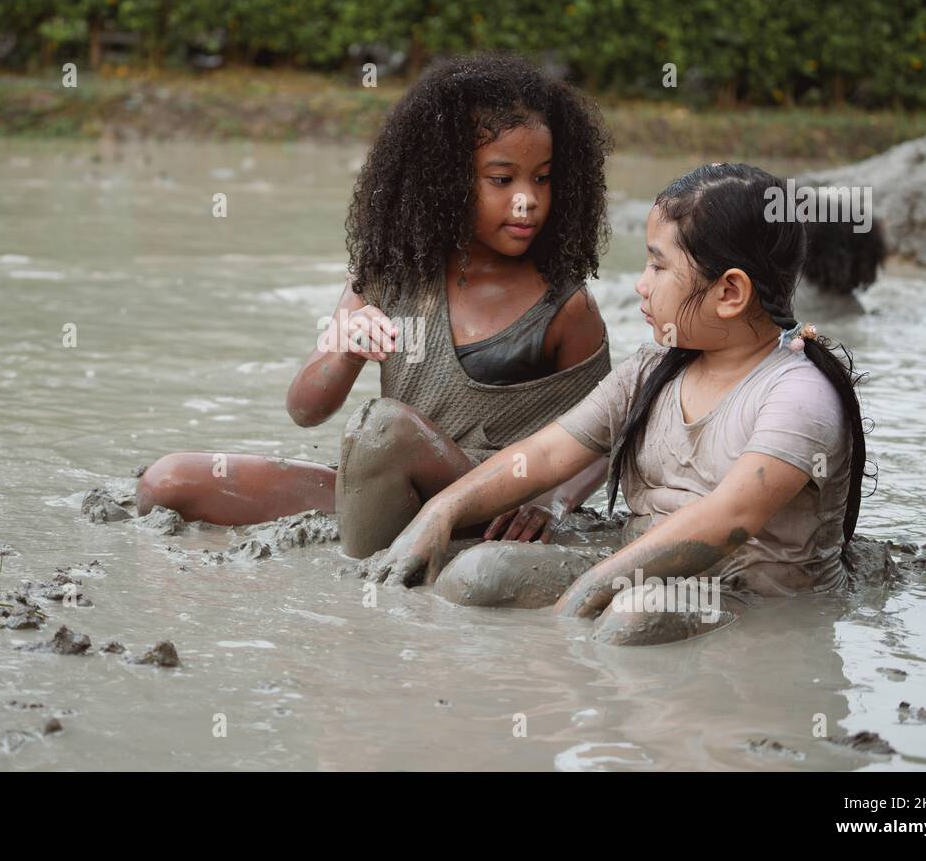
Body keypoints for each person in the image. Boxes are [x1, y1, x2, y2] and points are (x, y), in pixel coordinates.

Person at [372, 162, 876, 645]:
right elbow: (546, 455)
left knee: (633, 616)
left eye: (658, 264)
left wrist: (592, 587)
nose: (641, 282)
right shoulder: (651, 368)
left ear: (729, 292)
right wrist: (441, 511)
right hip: (638, 571)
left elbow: (729, 518)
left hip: (758, 604)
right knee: (478, 574)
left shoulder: (798, 395)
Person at [137, 51, 615, 557]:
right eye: (502, 180)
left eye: (542, 178)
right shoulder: (390, 274)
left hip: (489, 507)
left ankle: (378, 565)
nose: (527, 201)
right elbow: (305, 409)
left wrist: (552, 503)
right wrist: (345, 351)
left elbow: (610, 429)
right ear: (446, 181)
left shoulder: (564, 305)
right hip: (384, 486)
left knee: (385, 425)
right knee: (167, 483)